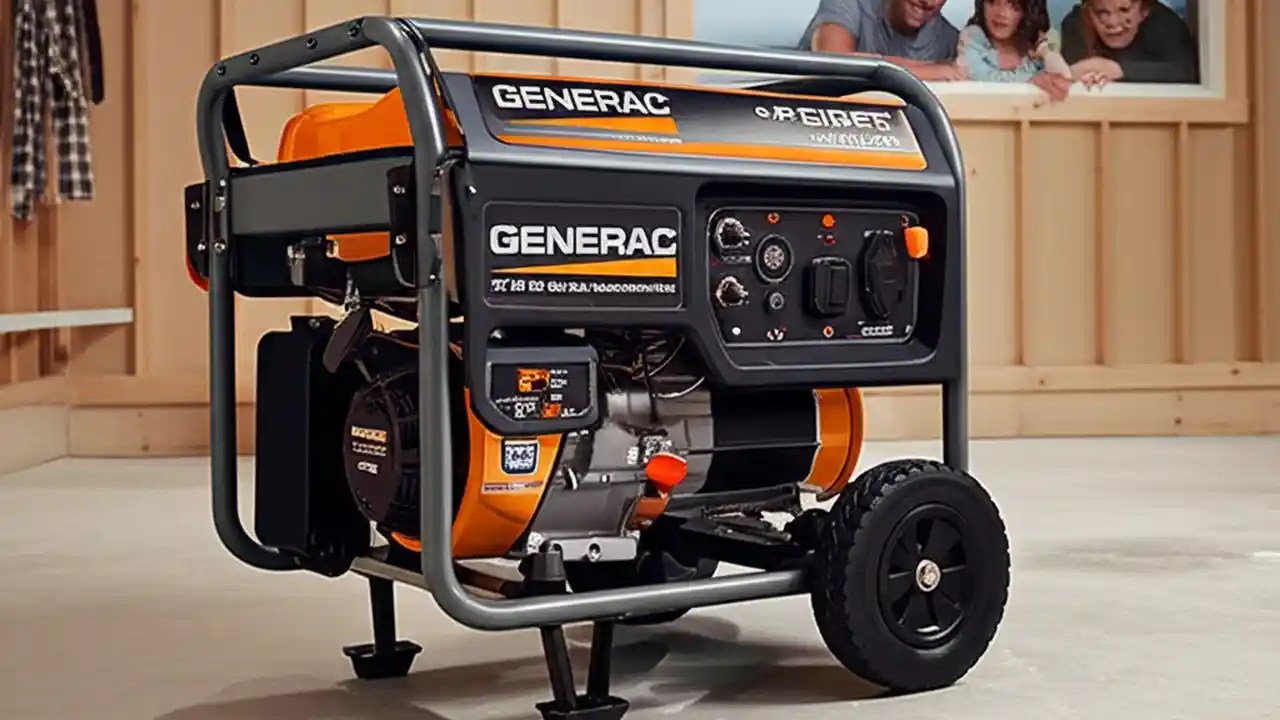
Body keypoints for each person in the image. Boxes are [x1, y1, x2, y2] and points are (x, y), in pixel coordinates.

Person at [799, 0, 967, 81]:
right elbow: (834, 64)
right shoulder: (849, 4)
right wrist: (932, 71)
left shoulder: (950, 40)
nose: (930, 2)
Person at [956, 0, 1074, 101]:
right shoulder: (973, 36)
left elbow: (1065, 80)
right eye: (993, 2)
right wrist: (1031, 82)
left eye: (1013, 6)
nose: (1001, 13)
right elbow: (977, 78)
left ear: (1027, 11)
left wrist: (1044, 49)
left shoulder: (1035, 49)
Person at [1060, 0, 1200, 85]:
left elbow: (1186, 72)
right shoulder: (1077, 24)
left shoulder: (1166, 24)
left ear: (1145, 10)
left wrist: (1118, 70)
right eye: (1101, 12)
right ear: (1088, 10)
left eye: (1124, 10)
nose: (1112, 22)